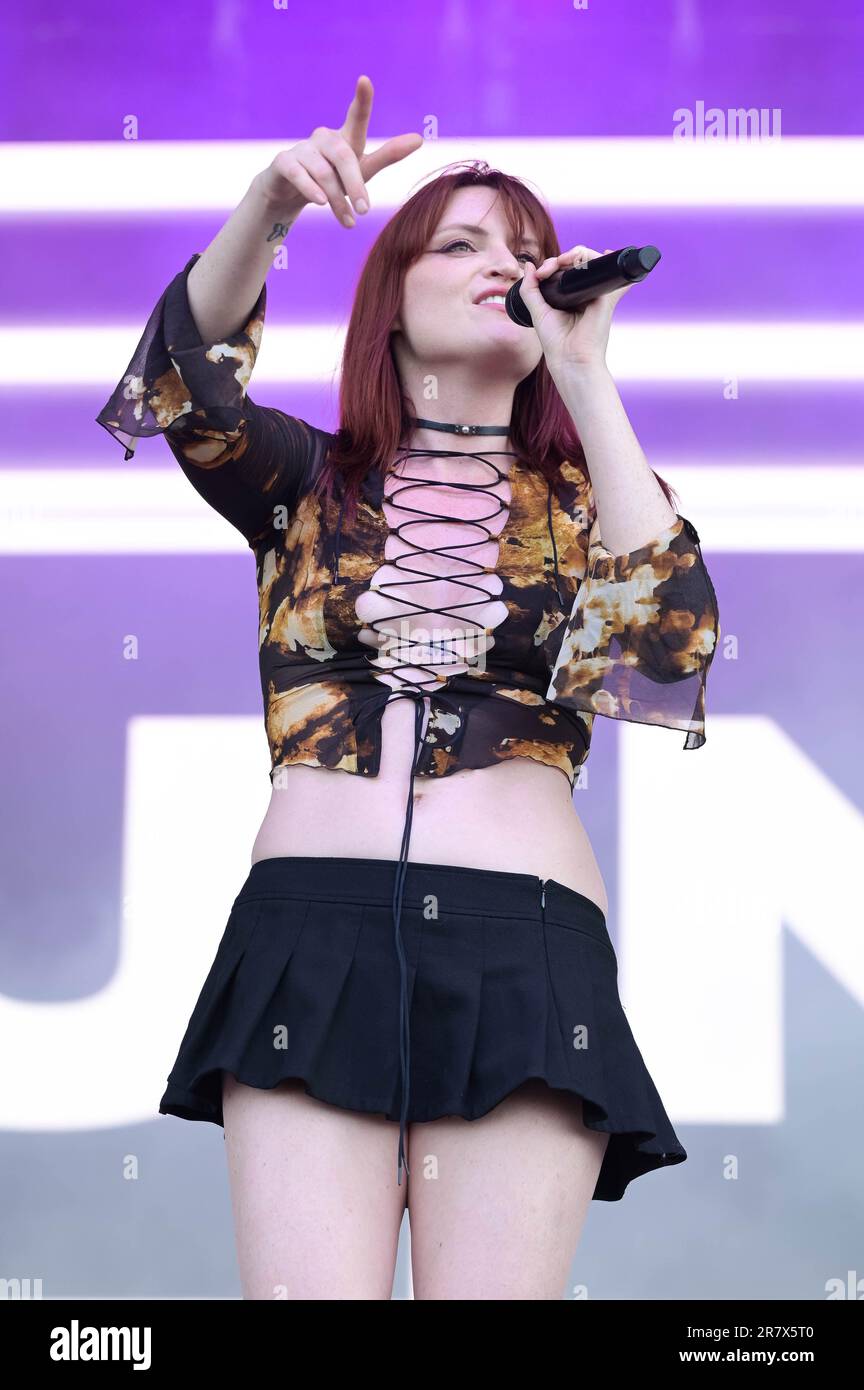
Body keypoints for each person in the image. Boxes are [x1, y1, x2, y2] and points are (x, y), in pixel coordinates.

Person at [97, 74, 720, 1300]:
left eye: (532, 254)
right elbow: (187, 390)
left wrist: (586, 374)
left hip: (521, 942)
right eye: (466, 243)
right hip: (309, 933)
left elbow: (660, 655)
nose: (509, 265)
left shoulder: (591, 498)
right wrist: (270, 203)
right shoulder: (307, 481)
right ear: (392, 296)